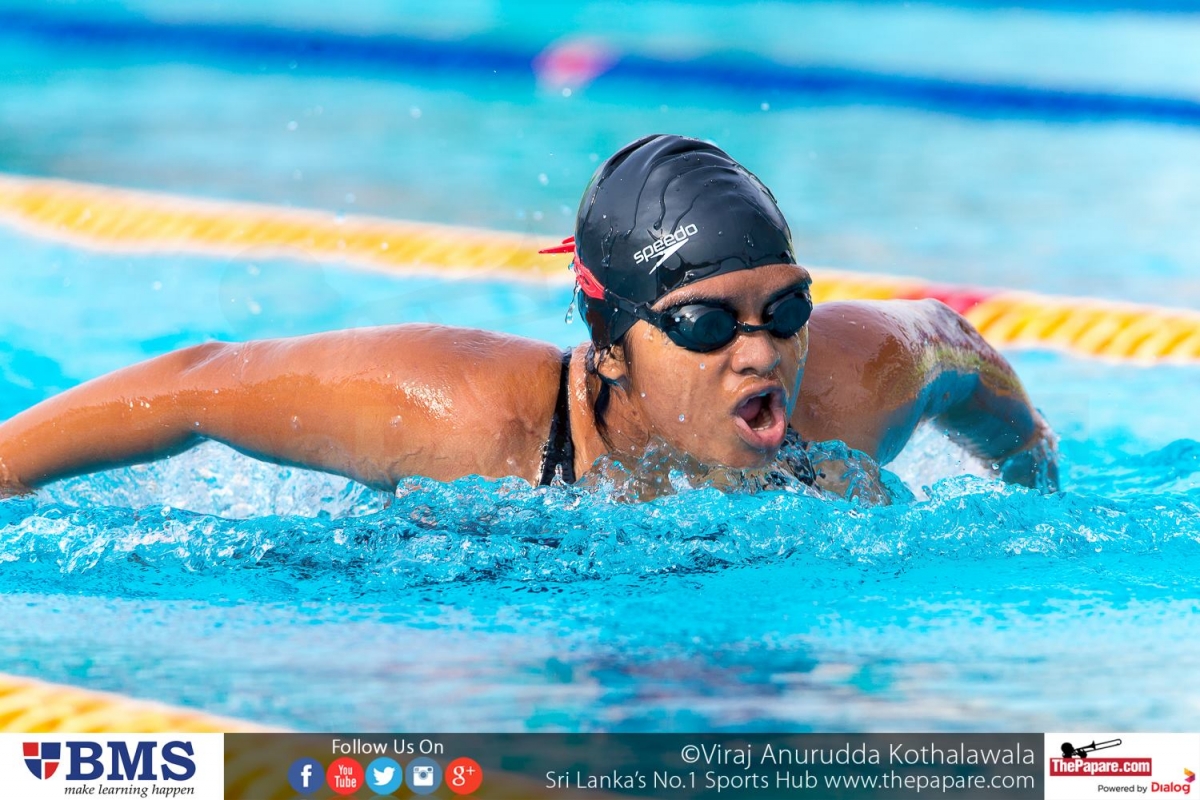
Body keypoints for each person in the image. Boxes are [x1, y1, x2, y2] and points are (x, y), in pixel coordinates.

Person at [0, 134, 1058, 502]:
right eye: (703, 324)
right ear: (609, 339)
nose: (762, 350)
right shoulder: (470, 421)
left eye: (784, 308)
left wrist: (1034, 476)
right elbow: (196, 384)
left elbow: (956, 347)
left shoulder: (845, 386)